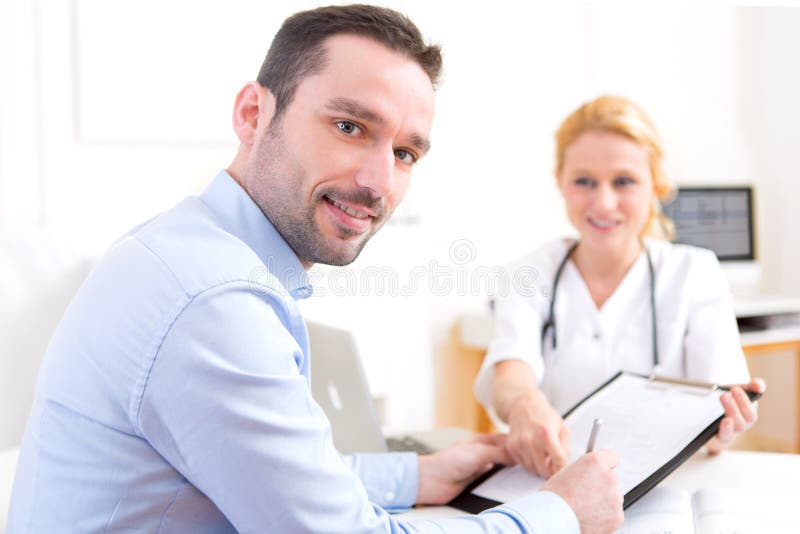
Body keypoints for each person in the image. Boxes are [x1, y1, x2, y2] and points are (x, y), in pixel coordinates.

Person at [8, 6, 623, 533]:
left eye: (405, 152)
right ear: (253, 114)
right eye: (350, 127)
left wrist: (418, 473)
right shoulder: (215, 302)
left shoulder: (181, 245)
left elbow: (261, 473)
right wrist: (561, 514)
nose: (380, 182)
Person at [474, 95, 765, 479]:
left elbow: (716, 421)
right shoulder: (529, 273)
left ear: (655, 186)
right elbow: (511, 373)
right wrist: (524, 402)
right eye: (585, 181)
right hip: (554, 482)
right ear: (560, 182)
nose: (604, 202)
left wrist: (723, 428)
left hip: (665, 485)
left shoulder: (694, 273)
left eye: (624, 181)